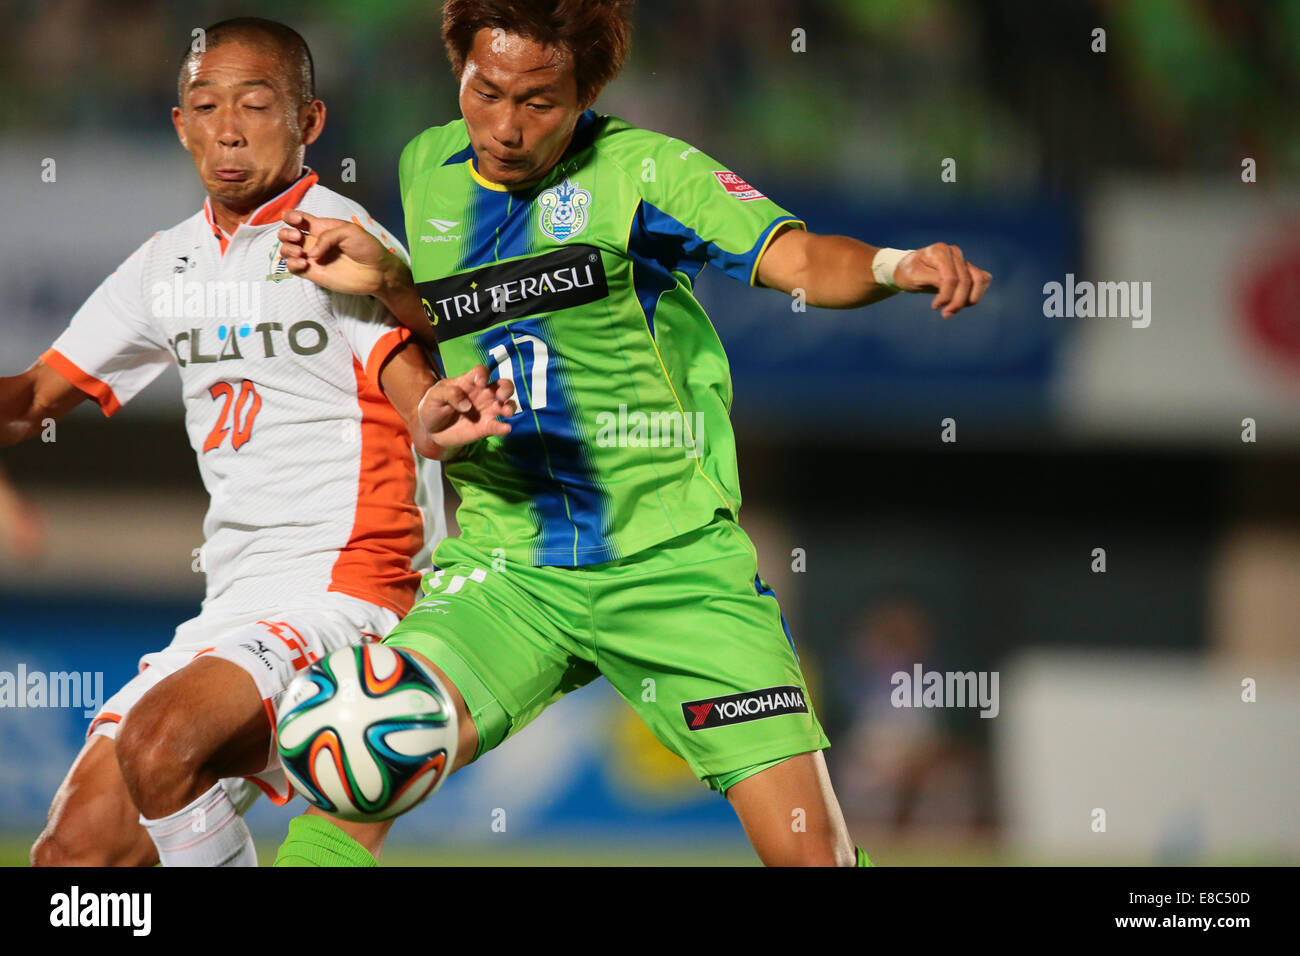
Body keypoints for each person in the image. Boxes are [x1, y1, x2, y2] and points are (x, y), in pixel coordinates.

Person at [273, 0, 991, 867]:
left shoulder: (646, 171)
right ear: (458, 67)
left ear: (585, 94)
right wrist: (391, 281)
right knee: (355, 771)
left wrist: (892, 266)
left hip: (673, 567)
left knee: (812, 858)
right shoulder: (428, 164)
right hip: (511, 570)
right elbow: (463, 312)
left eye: (538, 102)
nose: (505, 125)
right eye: (485, 89)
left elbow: (796, 260)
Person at [1, 16, 513, 867]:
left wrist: (438, 419)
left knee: (163, 742)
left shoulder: (336, 240)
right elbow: (29, 401)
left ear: (309, 121)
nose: (227, 129)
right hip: (232, 608)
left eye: (256, 104)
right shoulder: (166, 267)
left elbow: (410, 391)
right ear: (180, 124)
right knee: (73, 860)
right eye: (205, 106)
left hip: (351, 593)